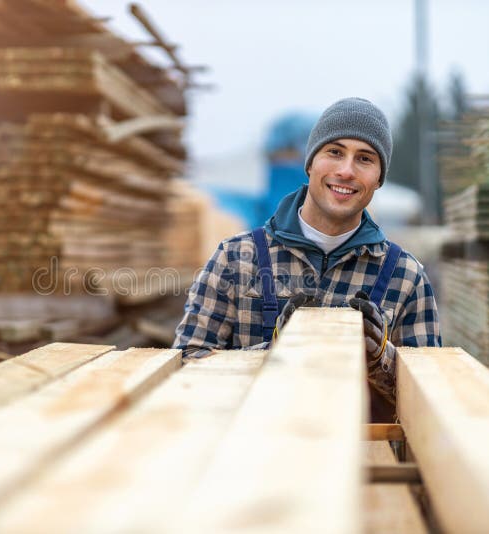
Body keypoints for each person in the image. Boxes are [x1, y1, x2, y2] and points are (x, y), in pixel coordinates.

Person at [173, 97, 441, 421]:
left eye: (365, 159)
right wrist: (278, 352)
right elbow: (186, 371)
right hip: (248, 460)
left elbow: (432, 402)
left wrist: (380, 356)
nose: (346, 171)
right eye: (335, 152)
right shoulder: (235, 259)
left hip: (361, 465)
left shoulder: (405, 276)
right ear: (310, 163)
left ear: (379, 179)